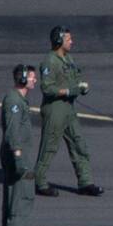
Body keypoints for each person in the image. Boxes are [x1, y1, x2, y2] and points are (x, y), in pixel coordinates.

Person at [34, 25, 104, 197]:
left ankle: (86, 182)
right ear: (59, 41)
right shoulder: (49, 62)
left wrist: (81, 86)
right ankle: (39, 182)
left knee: (79, 145)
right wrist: (68, 91)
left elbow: (76, 76)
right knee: (49, 147)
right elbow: (47, 88)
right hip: (55, 109)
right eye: (68, 39)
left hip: (69, 110)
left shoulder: (69, 58)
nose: (72, 41)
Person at [0, 64, 39, 226]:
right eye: (32, 77)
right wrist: (18, 156)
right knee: (21, 195)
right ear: (23, 79)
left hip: (19, 154)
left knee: (17, 194)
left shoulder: (18, 100)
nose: (35, 80)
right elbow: (12, 131)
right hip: (18, 155)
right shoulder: (14, 101)